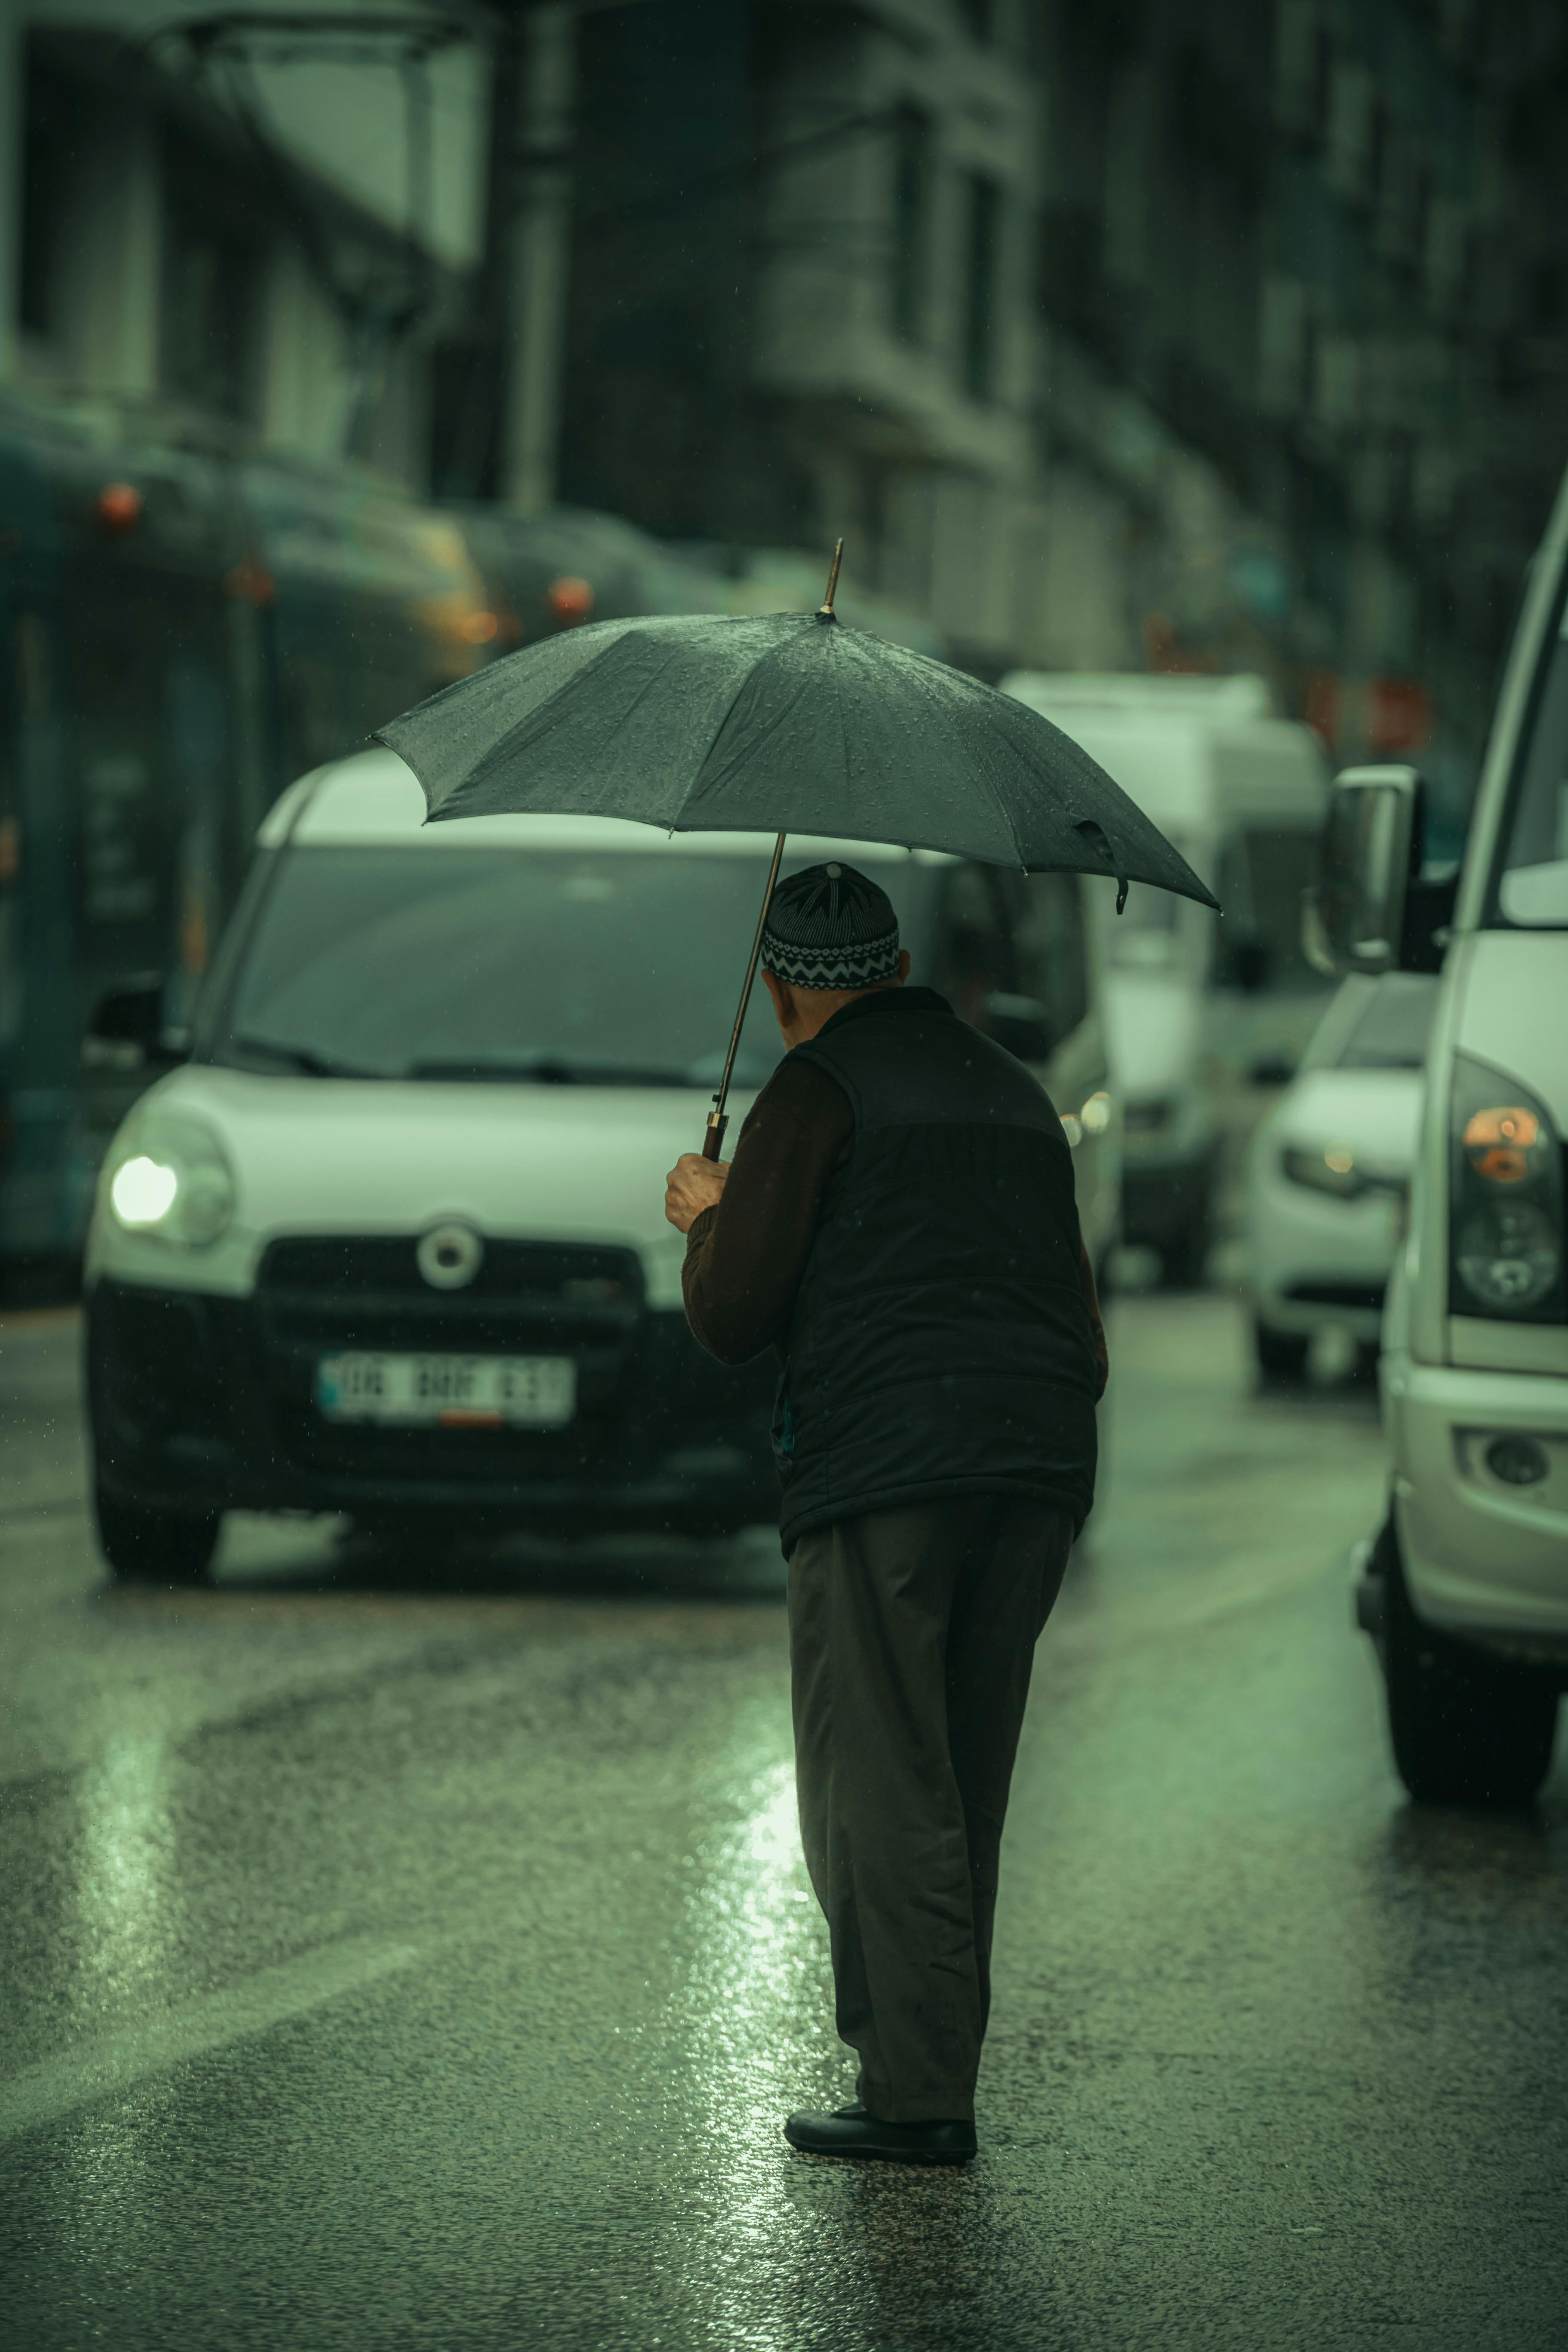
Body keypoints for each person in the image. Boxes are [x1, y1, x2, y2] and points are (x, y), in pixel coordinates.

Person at [664, 861, 1107, 2166]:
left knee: (877, 1782)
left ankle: (916, 2098)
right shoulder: (1016, 1092)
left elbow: (733, 1317)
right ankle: (932, 2073)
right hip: (1035, 1470)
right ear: (900, 969)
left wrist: (709, 1212)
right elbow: (1079, 1327)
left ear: (781, 987)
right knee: (964, 1778)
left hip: (887, 1473)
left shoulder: (814, 1092)